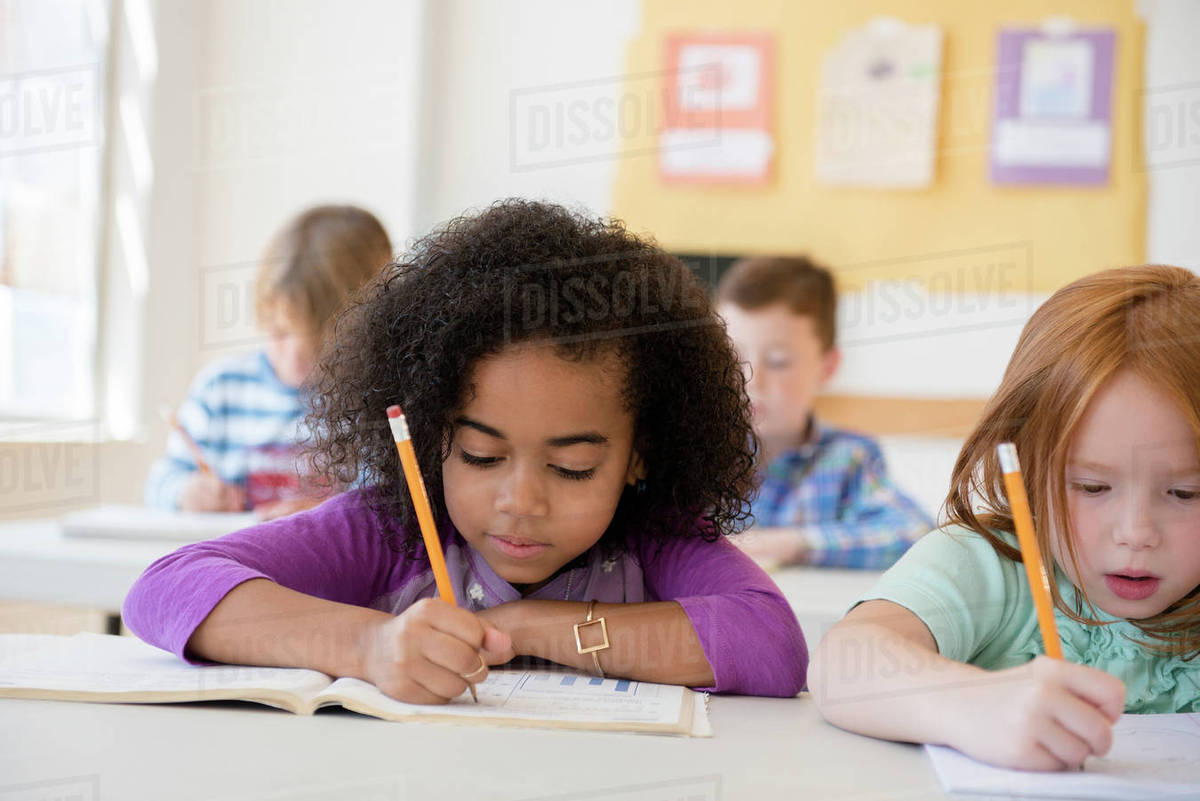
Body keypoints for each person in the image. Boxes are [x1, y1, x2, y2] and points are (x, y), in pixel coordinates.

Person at [124, 200, 807, 703]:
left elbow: (772, 644)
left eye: (572, 467)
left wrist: (521, 624)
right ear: (431, 432)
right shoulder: (390, 531)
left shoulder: (653, 541)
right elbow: (163, 591)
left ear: (639, 454)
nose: (521, 500)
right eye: (481, 454)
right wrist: (370, 644)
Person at [810, 265, 1200, 770]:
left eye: (1185, 492)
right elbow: (843, 664)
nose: (1136, 534)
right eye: (1092, 487)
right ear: (1028, 465)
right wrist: (969, 705)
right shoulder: (990, 564)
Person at [144, 205, 392, 519]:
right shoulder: (222, 389)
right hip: (234, 564)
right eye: (281, 334)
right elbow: (160, 483)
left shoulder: (375, 401)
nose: (294, 360)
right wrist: (187, 493)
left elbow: (389, 506)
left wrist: (323, 517)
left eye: (322, 345)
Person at [716, 256, 932, 569]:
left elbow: (917, 534)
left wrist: (794, 543)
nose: (751, 380)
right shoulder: (694, 454)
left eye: (777, 361)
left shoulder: (849, 458)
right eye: (732, 357)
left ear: (827, 367)